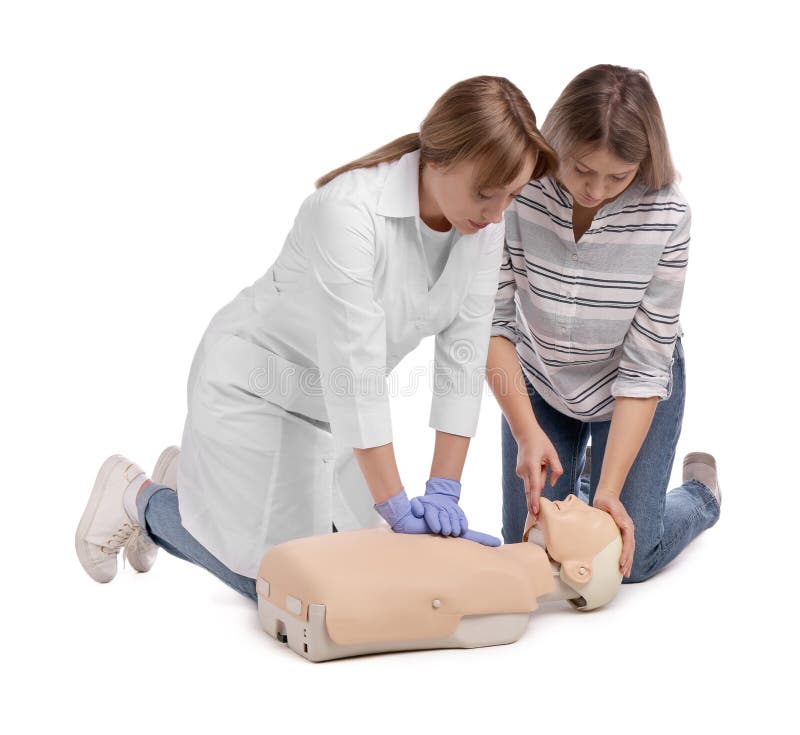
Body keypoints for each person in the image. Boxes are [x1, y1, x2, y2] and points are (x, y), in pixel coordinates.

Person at [75, 76, 558, 601]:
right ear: (438, 157)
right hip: (253, 391)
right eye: (486, 194)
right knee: (277, 587)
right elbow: (358, 371)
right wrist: (395, 506)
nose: (495, 214)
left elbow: (463, 357)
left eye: (511, 196)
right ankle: (139, 497)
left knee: (361, 576)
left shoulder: (482, 229)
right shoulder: (348, 212)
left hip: (332, 416)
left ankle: (193, 485)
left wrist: (444, 488)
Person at [487, 64, 721, 582]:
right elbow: (493, 322)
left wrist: (611, 493)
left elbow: (645, 363)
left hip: (631, 387)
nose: (595, 189)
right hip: (542, 379)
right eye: (581, 170)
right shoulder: (519, 192)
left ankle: (700, 495)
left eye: (618, 176)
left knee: (627, 561)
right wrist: (525, 432)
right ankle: (588, 473)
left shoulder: (668, 215)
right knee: (529, 545)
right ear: (558, 144)